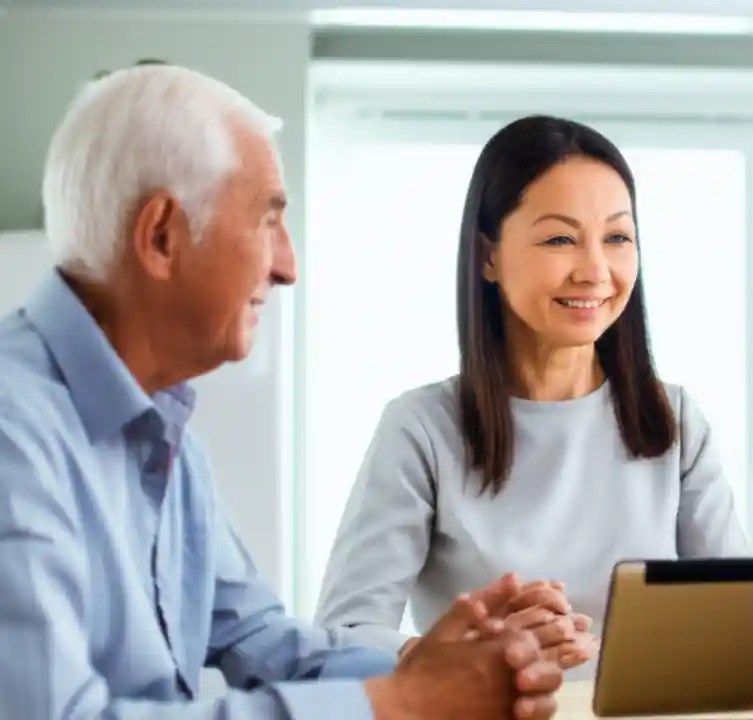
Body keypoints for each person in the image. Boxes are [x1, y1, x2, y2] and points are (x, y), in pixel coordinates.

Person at [0, 64, 565, 719]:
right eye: (268, 221)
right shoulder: (14, 433)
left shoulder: (162, 434)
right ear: (161, 236)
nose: (287, 265)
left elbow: (258, 637)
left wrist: (441, 661)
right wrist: (400, 703)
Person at [315, 115, 751, 673]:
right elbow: (344, 631)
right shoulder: (421, 428)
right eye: (560, 239)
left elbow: (738, 613)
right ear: (487, 256)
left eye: (617, 237)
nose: (595, 270)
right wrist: (467, 656)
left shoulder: (676, 421)